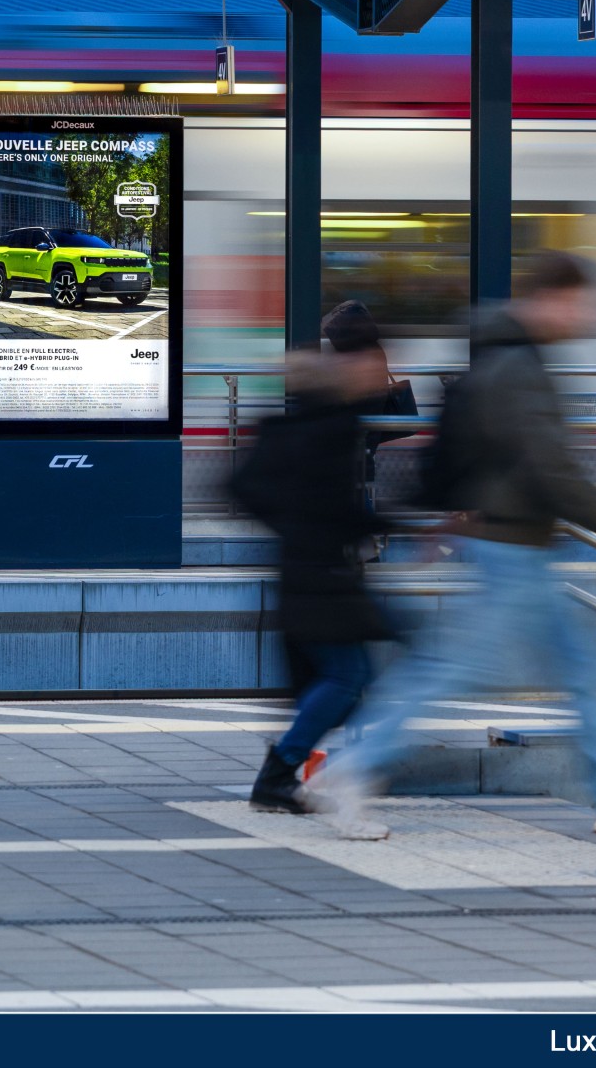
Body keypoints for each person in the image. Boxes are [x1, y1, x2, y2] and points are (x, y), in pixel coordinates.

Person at [319, 252, 596, 837]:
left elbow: (477, 452)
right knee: (453, 668)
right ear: (555, 299)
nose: (591, 315)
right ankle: (352, 768)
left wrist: (448, 522)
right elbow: (545, 460)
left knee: (577, 669)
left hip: (514, 539)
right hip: (511, 545)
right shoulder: (520, 367)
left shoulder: (499, 356)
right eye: (585, 303)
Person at [232, 303, 396, 825]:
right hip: (322, 573)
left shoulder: (298, 424)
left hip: (309, 568)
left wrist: (291, 525)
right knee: (349, 677)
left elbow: (244, 487)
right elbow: (333, 505)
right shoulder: (329, 427)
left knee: (348, 676)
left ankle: (296, 765)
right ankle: (283, 769)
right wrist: (380, 525)